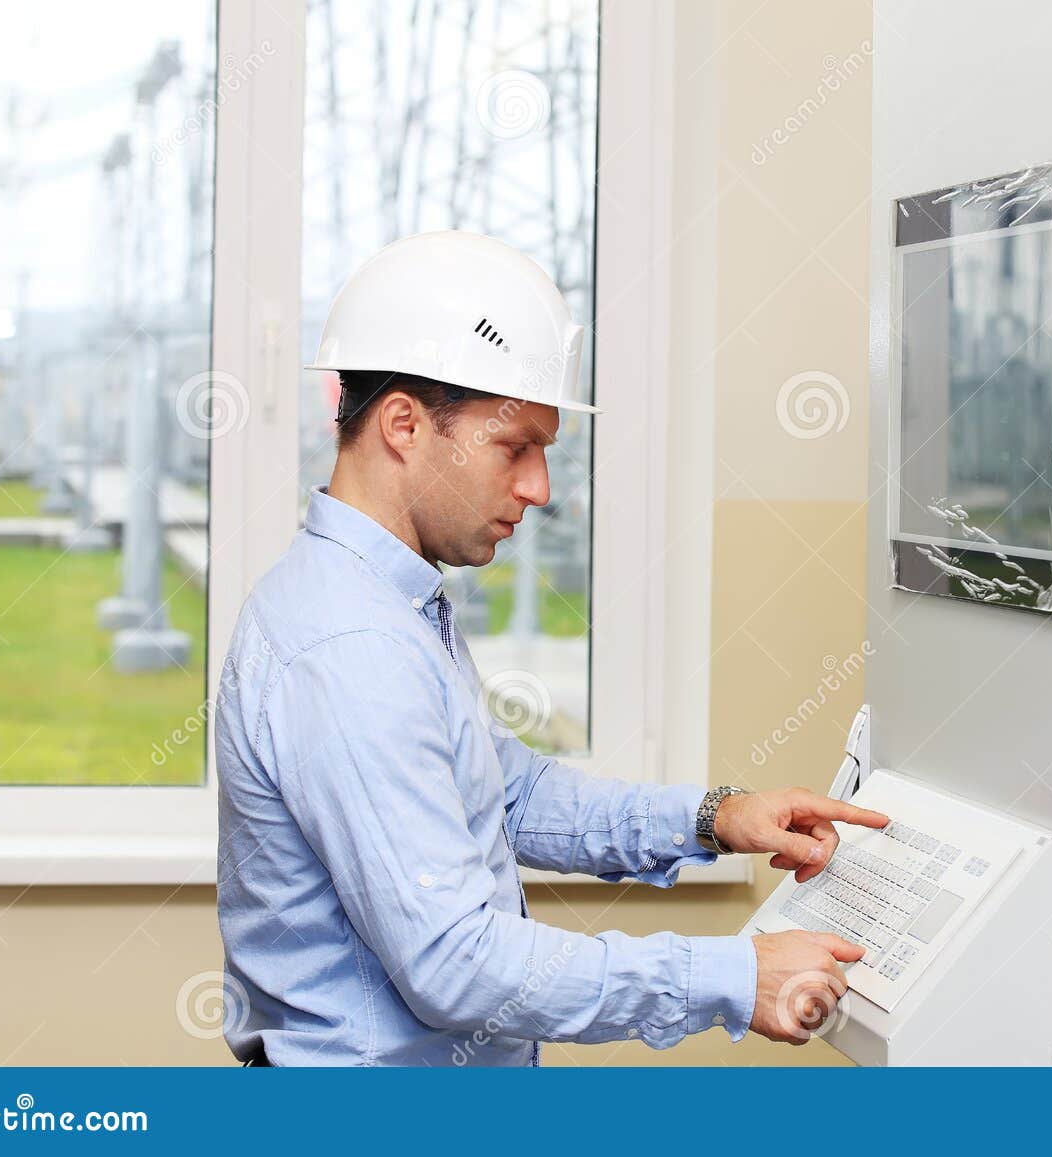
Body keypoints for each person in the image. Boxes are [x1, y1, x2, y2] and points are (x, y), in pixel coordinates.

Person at [215, 231, 888, 1066]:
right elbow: (455, 964)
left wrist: (714, 817)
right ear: (403, 426)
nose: (538, 487)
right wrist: (730, 974)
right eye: (515, 446)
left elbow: (506, 795)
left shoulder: (389, 605)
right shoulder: (350, 647)